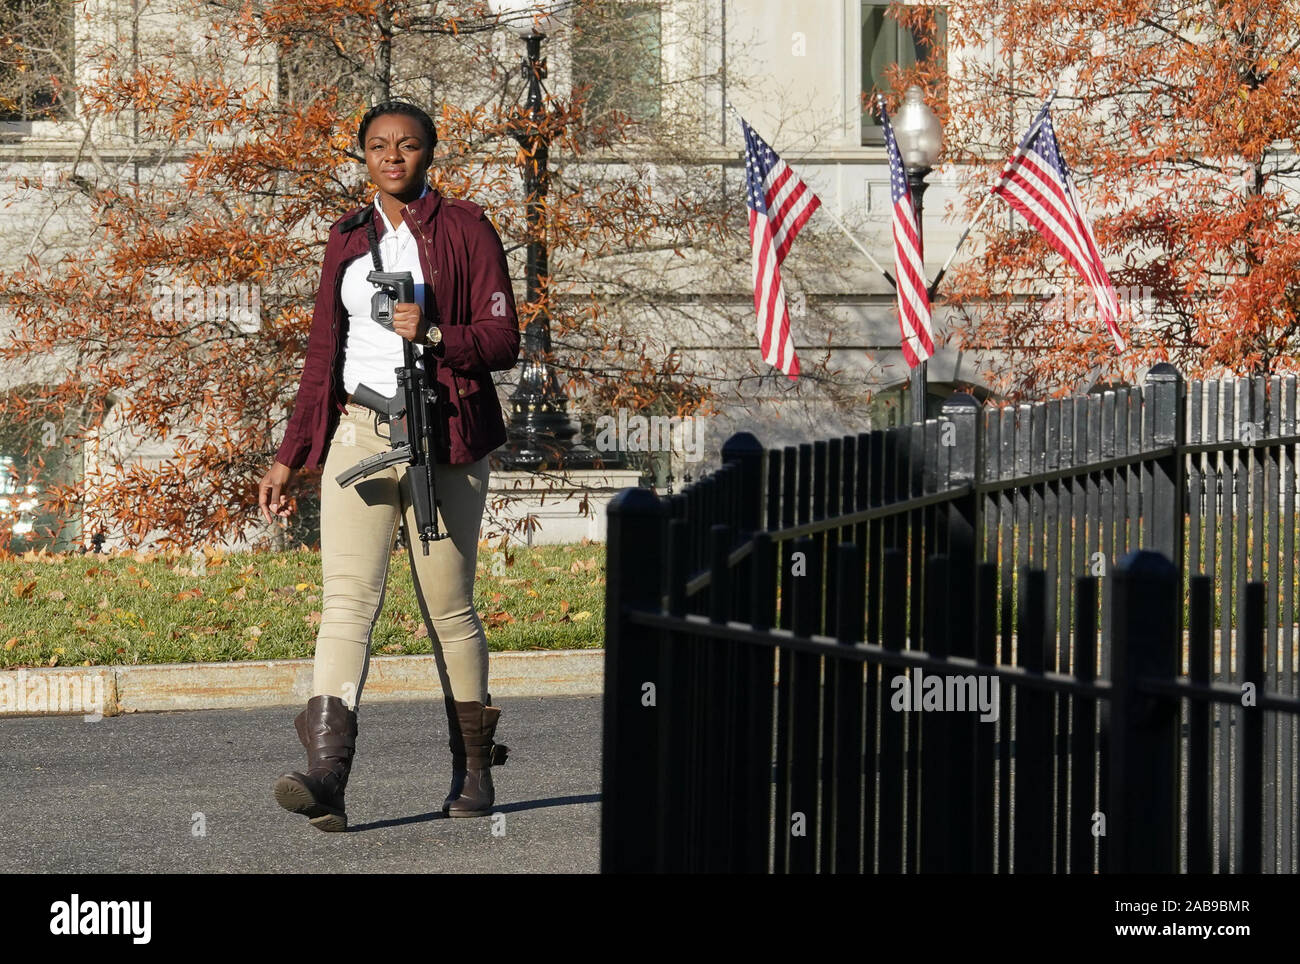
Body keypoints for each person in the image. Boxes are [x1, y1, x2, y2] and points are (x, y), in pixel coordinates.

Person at [256, 100, 521, 832]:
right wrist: (290, 456)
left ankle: (473, 769)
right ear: (364, 156)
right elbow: (321, 361)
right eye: (378, 147)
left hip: (447, 435)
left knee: (451, 610)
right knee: (346, 603)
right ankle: (327, 776)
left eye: (407, 146)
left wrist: (436, 333)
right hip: (361, 429)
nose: (393, 157)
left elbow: (503, 340)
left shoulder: (467, 229)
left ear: (429, 154)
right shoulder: (345, 240)